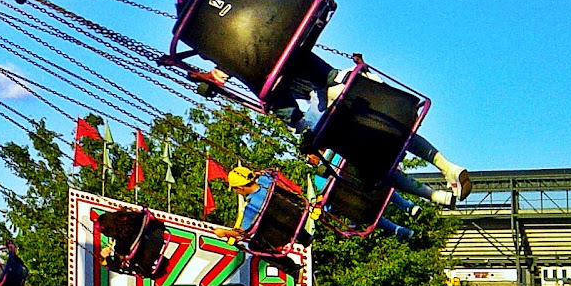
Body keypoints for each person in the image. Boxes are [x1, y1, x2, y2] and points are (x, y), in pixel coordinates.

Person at [192, 54, 470, 202]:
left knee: (377, 172)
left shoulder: (259, 73)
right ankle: (448, 168)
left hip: (336, 116)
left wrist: (306, 138)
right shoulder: (293, 44)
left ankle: (434, 195)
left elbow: (294, 118)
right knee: (399, 133)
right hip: (358, 91)